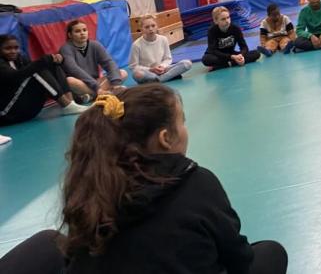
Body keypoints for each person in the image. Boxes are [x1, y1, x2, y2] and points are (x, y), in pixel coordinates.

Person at [0, 85, 288, 273]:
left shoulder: (88, 183)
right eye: (182, 122)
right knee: (270, 252)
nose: (185, 129)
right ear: (165, 139)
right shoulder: (196, 182)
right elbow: (240, 260)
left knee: (47, 243)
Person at [1, 34, 87, 133]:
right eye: (8, 48)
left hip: (25, 111)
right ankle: (67, 105)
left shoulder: (19, 58)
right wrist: (43, 61)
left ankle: (71, 102)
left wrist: (55, 60)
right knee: (38, 68)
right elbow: (15, 77)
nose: (13, 51)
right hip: (7, 114)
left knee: (51, 65)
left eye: (16, 48)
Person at [60, 20, 127, 99]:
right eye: (77, 31)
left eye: (84, 30)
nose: (82, 33)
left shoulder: (95, 45)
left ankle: (93, 95)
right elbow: (73, 69)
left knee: (122, 73)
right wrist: (96, 87)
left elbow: (109, 63)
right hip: (81, 83)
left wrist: (116, 84)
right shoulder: (66, 49)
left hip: (96, 81)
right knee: (69, 80)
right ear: (70, 35)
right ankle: (101, 93)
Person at [128, 15, 192, 83]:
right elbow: (133, 66)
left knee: (187, 63)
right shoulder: (136, 45)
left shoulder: (163, 39)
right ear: (141, 29)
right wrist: (150, 69)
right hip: (148, 72)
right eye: (147, 27)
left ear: (157, 26)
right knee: (137, 74)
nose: (151, 29)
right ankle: (168, 76)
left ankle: (158, 80)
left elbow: (168, 58)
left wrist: (162, 67)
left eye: (153, 26)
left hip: (163, 70)